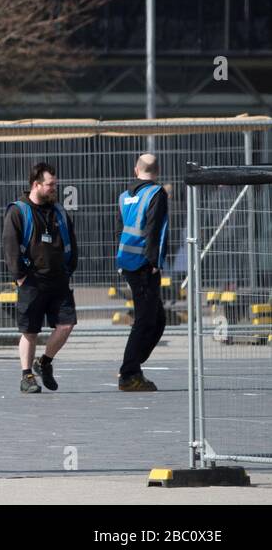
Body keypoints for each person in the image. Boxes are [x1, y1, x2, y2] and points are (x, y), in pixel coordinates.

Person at [2, 161, 78, 394]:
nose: (55, 188)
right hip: (32, 280)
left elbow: (72, 243)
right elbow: (10, 245)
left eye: (55, 184)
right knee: (30, 331)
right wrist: (20, 277)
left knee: (66, 325)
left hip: (58, 280)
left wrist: (69, 268)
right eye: (50, 185)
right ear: (36, 184)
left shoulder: (59, 211)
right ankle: (27, 376)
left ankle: (44, 362)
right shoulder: (18, 211)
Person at [116, 153, 169, 392]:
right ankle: (129, 372)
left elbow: (120, 228)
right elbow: (154, 229)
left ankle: (133, 362)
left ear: (136, 170)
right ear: (156, 172)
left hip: (128, 261)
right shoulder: (156, 194)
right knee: (146, 321)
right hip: (144, 265)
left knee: (157, 319)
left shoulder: (124, 196)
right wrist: (154, 262)